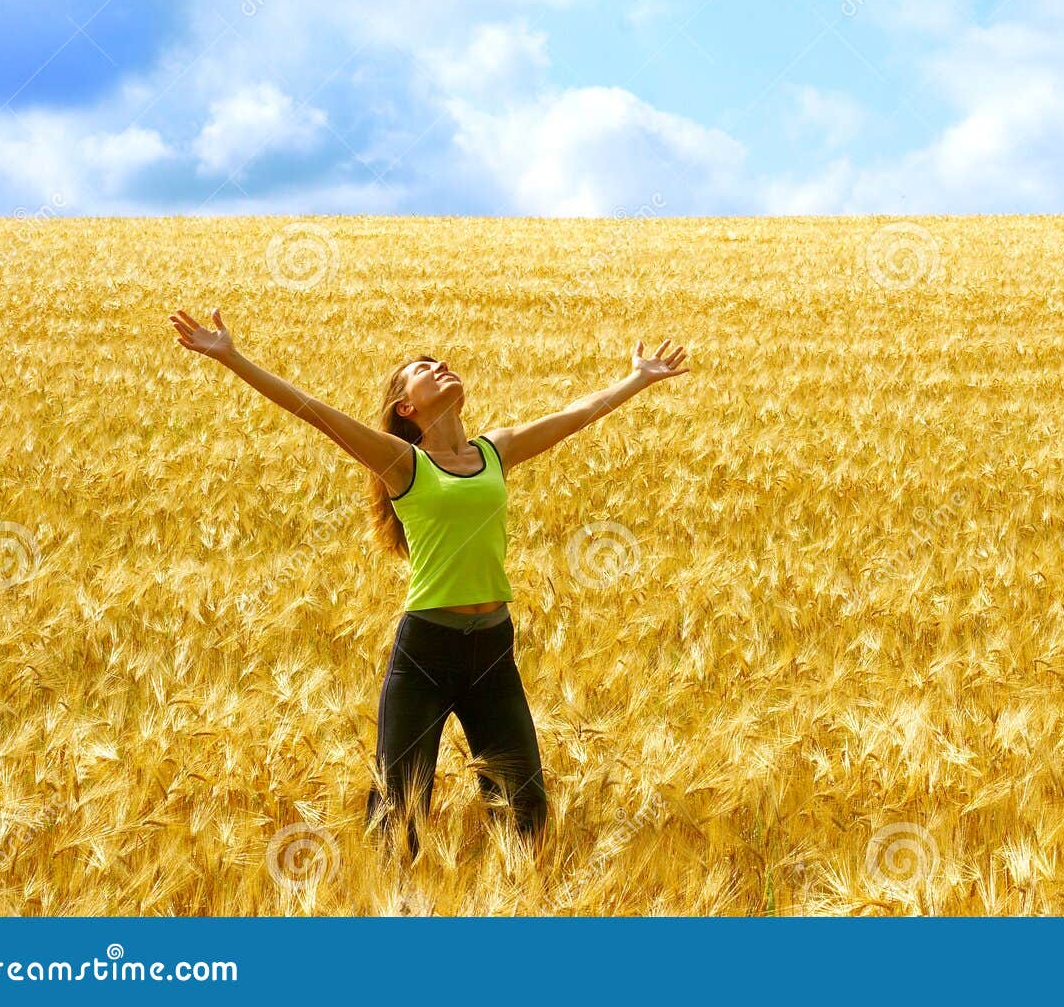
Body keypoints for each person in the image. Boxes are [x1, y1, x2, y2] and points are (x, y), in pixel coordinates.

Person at [167, 307, 690, 862]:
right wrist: (230, 356)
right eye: (424, 367)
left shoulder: (494, 451)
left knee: (525, 808)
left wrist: (636, 379)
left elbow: (575, 414)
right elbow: (312, 411)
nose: (440, 364)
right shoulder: (402, 463)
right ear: (406, 407)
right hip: (425, 652)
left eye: (441, 361)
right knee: (400, 810)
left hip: (493, 648)